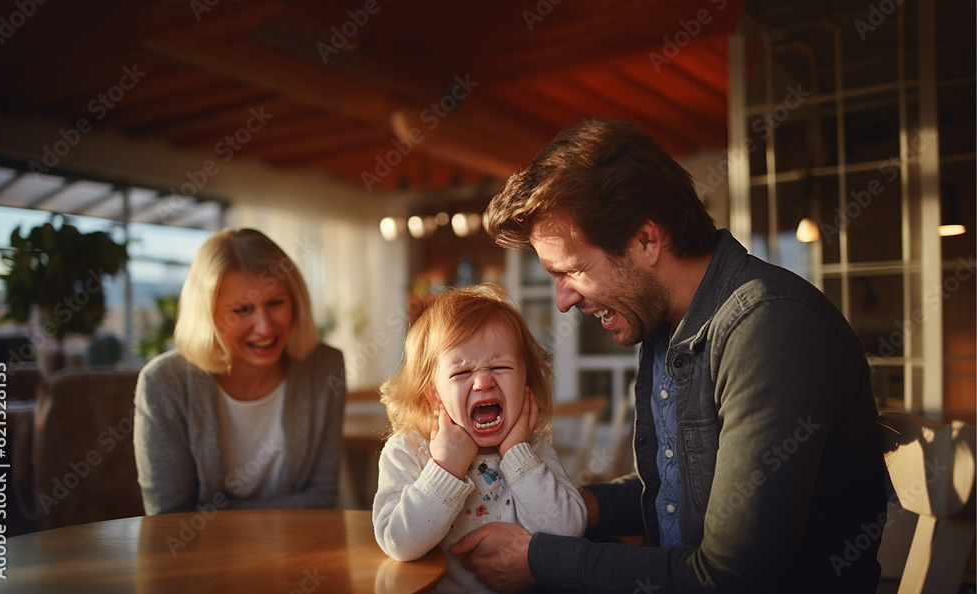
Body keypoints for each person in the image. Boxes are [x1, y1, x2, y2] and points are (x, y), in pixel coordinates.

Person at [449, 120, 887, 592]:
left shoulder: (769, 327)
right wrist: (570, 505)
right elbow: (676, 492)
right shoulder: (668, 327)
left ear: (646, 240)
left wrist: (539, 559)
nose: (563, 301)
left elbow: (732, 579)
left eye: (573, 269)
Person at [372, 284, 587, 593]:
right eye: (461, 373)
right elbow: (399, 543)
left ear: (526, 380)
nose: (484, 381)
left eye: (500, 367)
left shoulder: (531, 451)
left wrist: (517, 453)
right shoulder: (409, 451)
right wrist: (445, 468)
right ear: (434, 394)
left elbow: (567, 533)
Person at [133, 228, 346, 514]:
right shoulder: (163, 383)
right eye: (242, 309)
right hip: (202, 558)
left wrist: (213, 513)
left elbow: (321, 499)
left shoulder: (325, 367)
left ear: (296, 301)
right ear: (207, 316)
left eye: (275, 303)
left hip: (302, 552)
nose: (265, 328)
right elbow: (169, 519)